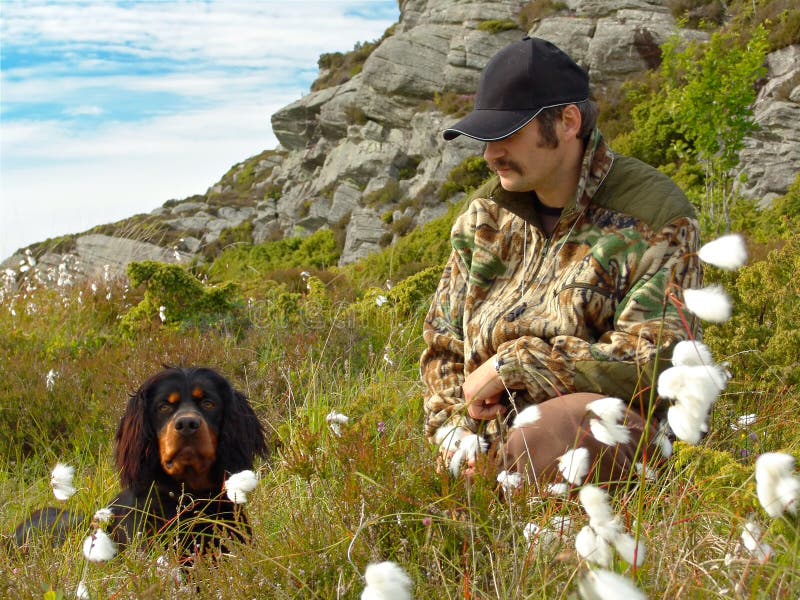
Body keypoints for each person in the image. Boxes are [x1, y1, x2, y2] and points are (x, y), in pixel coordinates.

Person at [420, 37, 702, 491]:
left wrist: (520, 364)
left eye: (507, 133)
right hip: (490, 441)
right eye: (485, 137)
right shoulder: (484, 216)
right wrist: (455, 432)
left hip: (605, 434)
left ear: (567, 122)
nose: (490, 153)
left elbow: (658, 363)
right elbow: (442, 343)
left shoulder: (655, 215)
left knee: (558, 431)